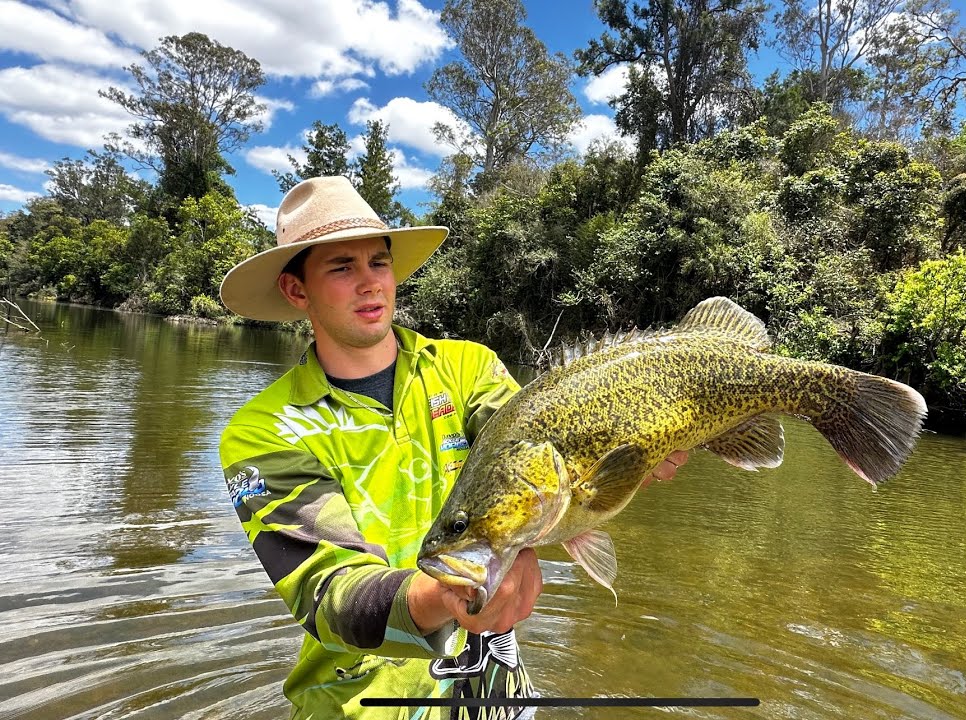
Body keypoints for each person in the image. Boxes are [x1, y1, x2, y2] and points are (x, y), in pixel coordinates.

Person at [217, 176, 687, 719]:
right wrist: (446, 597)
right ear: (297, 291)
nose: (371, 283)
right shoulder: (264, 431)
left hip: (494, 699)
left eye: (379, 262)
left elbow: (547, 463)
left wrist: (645, 444)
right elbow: (329, 598)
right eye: (342, 267)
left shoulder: (469, 370)